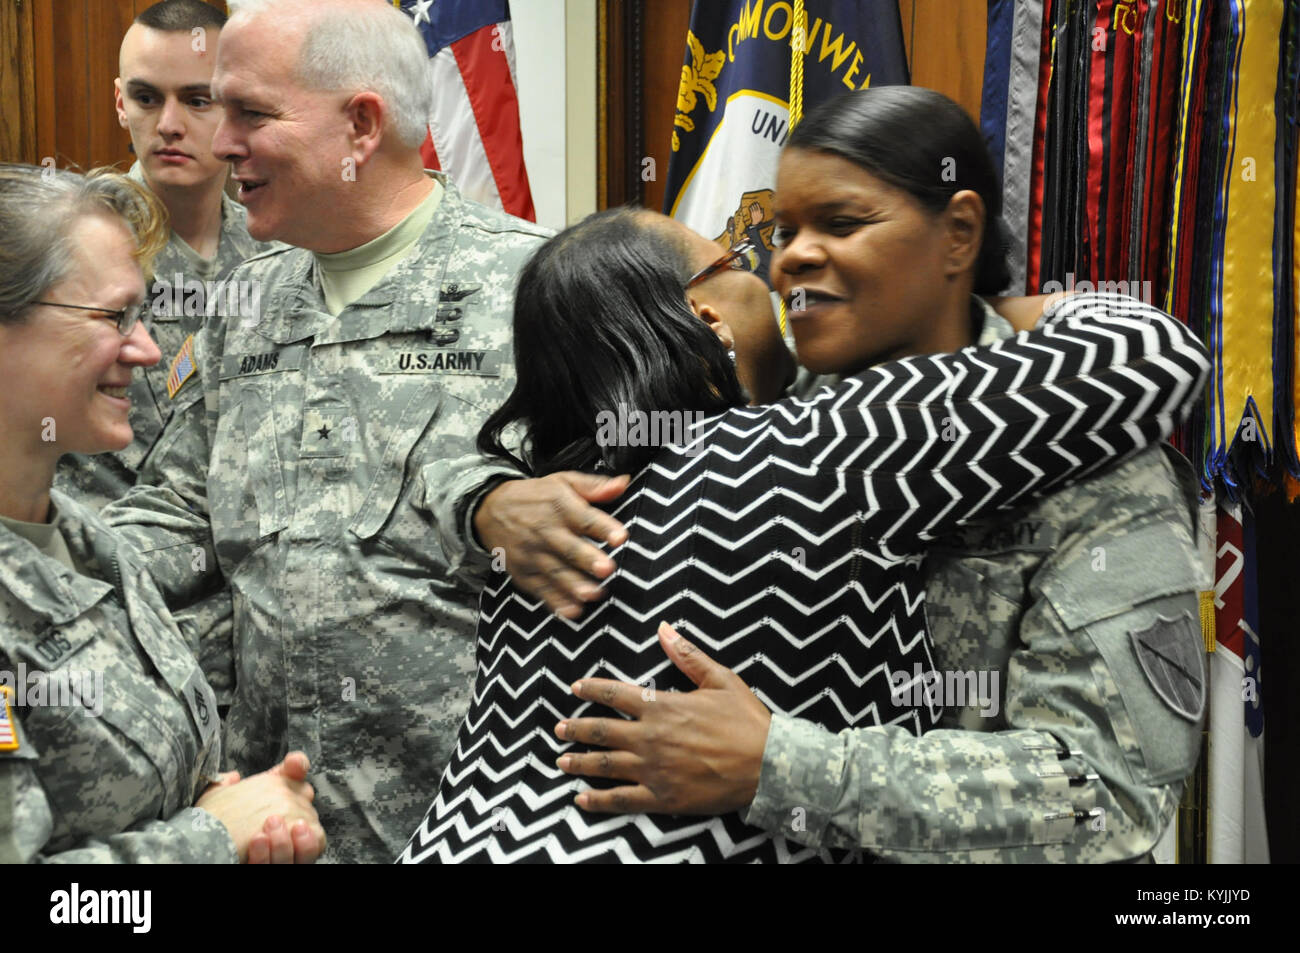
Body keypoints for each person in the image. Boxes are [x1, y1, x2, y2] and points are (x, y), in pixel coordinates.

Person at [399, 200, 1208, 862]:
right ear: (708, 316)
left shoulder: (539, 505)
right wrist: (1040, 309)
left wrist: (478, 499)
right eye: (735, 259)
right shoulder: (824, 441)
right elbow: (1155, 357)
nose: (778, 272)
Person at [102, 0, 550, 863]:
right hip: (276, 826)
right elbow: (178, 516)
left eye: (250, 113)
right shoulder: (251, 305)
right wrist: (35, 574)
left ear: (361, 126)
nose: (219, 140)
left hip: (476, 829)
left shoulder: (537, 292)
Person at [0, 164, 323, 863]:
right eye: (115, 317)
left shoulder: (93, 548)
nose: (147, 351)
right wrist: (211, 837)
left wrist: (237, 811)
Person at [55, 0, 275, 513]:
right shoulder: (64, 250)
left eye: (198, 100)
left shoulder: (282, 252)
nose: (169, 124)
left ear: (237, 106)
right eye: (147, 98)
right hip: (103, 557)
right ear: (119, 101)